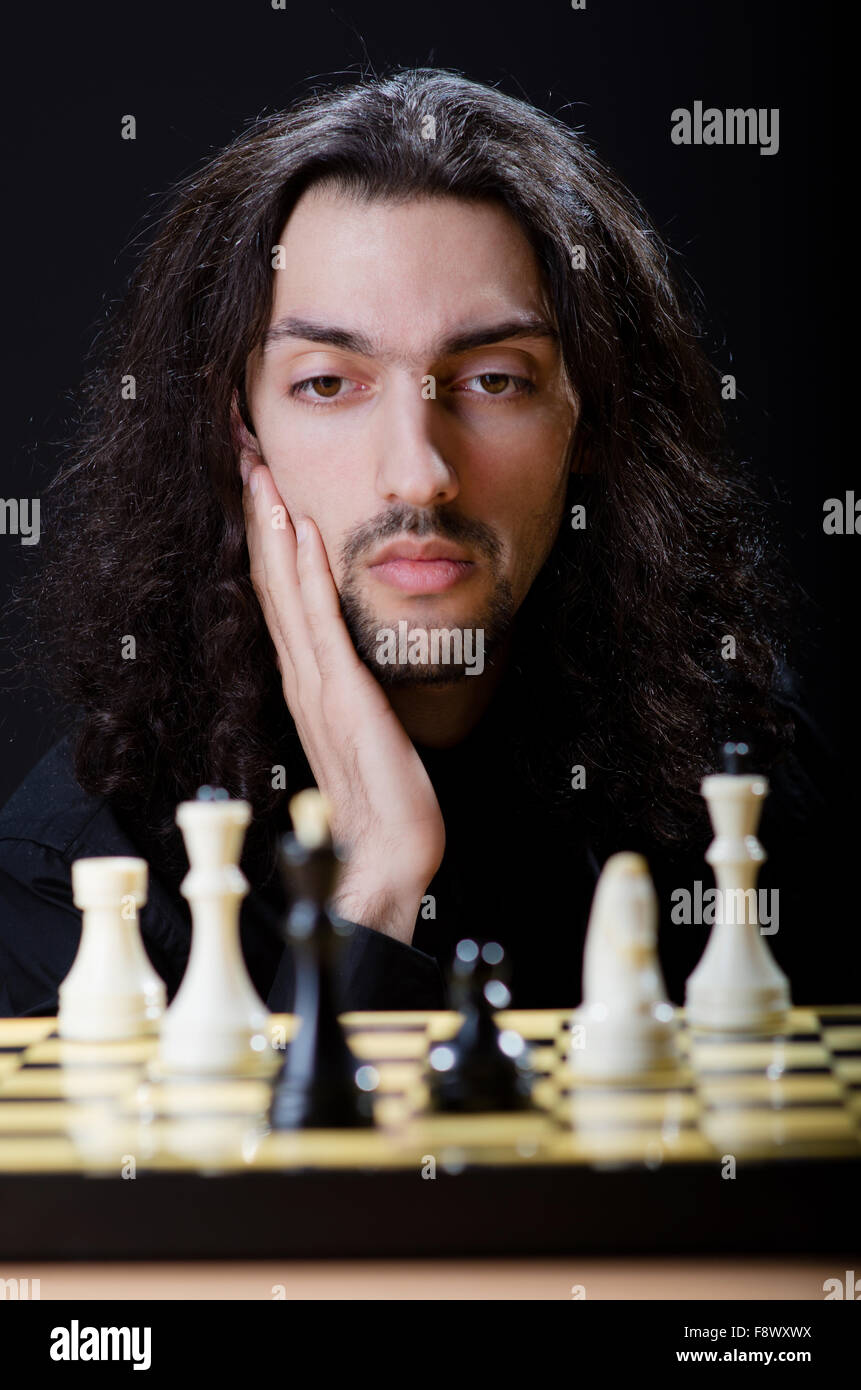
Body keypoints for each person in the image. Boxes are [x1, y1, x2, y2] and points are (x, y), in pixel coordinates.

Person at [0, 68, 832, 1017]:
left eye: (493, 381)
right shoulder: (76, 873)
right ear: (236, 433)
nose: (420, 472)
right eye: (327, 383)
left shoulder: (755, 787)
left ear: (591, 420)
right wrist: (373, 880)